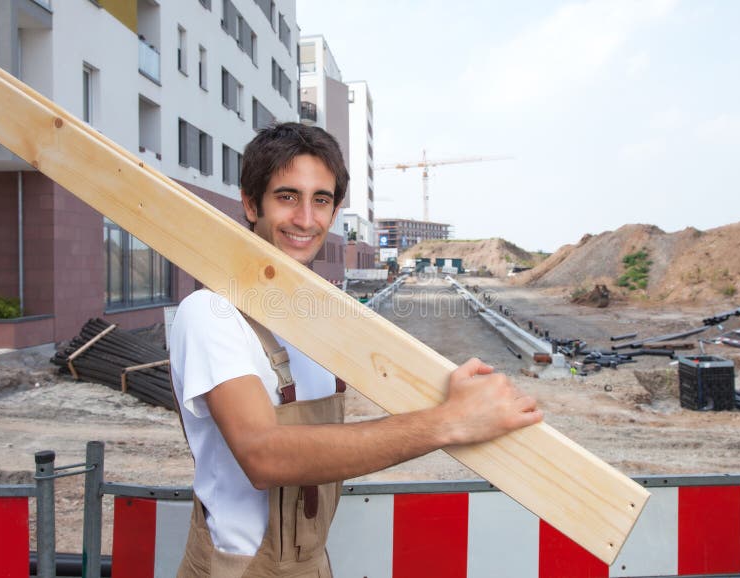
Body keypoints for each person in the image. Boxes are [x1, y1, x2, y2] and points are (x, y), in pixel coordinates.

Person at [169, 122, 542, 577]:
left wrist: (448, 391)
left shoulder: (320, 318)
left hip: (313, 565)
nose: (306, 219)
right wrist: (448, 422)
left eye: (320, 200)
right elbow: (263, 455)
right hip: (237, 568)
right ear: (251, 204)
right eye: (287, 197)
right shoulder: (211, 312)